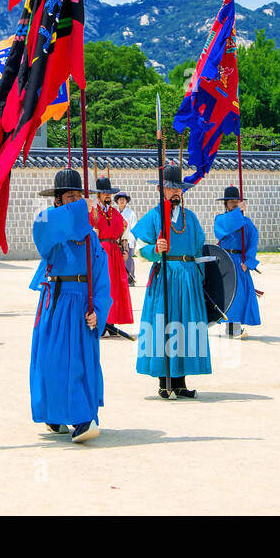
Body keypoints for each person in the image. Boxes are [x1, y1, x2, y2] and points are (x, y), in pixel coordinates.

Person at [28, 169, 111, 444]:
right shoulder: (49, 227)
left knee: (81, 364)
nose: (75, 201)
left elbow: (101, 278)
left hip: (83, 306)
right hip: (57, 303)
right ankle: (54, 413)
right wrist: (75, 210)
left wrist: (98, 310)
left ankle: (82, 418)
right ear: (58, 202)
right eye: (69, 197)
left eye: (78, 196)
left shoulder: (92, 239)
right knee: (53, 362)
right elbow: (45, 228)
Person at [132, 164, 210, 399]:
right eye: (170, 188)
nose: (176, 192)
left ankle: (181, 382)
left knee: (186, 326)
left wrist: (200, 278)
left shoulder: (191, 218)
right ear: (160, 189)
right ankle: (163, 381)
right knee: (163, 325)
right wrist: (155, 249)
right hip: (165, 274)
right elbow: (138, 248)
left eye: (179, 189)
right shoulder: (154, 216)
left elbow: (199, 250)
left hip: (188, 277)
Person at [214, 186, 261, 339]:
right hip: (226, 260)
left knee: (240, 295)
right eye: (231, 202)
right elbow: (225, 227)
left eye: (236, 201)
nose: (234, 204)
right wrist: (237, 214)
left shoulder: (247, 223)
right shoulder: (221, 219)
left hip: (240, 262)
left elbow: (253, 242)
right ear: (225, 204)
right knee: (228, 294)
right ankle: (231, 328)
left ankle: (234, 327)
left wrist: (248, 261)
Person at [90, 176, 134, 340]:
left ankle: (112, 321)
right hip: (100, 254)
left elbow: (124, 231)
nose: (108, 196)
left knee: (114, 288)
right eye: (104, 193)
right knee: (100, 288)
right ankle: (101, 322)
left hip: (114, 255)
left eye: (109, 193)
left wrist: (124, 249)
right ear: (99, 195)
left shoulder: (115, 213)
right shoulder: (92, 213)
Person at [114, 192, 138, 286]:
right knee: (117, 260)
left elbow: (134, 227)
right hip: (116, 240)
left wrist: (131, 241)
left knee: (128, 260)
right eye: (120, 199)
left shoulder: (131, 213)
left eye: (123, 199)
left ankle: (130, 278)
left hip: (127, 240)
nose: (122, 201)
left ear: (126, 201)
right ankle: (119, 279)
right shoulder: (114, 212)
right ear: (117, 201)